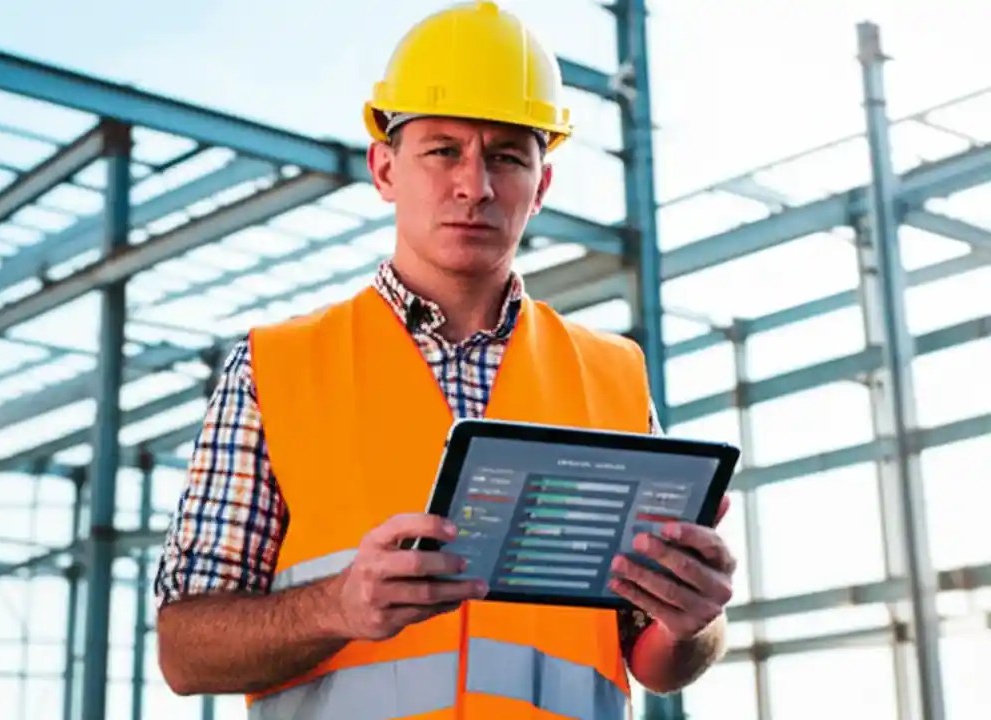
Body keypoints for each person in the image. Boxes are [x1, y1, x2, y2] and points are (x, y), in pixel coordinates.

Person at [153, 2, 737, 717]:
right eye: (442, 150)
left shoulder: (613, 377)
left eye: (506, 157)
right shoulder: (274, 369)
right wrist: (337, 606)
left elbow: (655, 658)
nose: (475, 185)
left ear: (541, 186)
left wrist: (695, 618)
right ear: (385, 167)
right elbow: (184, 652)